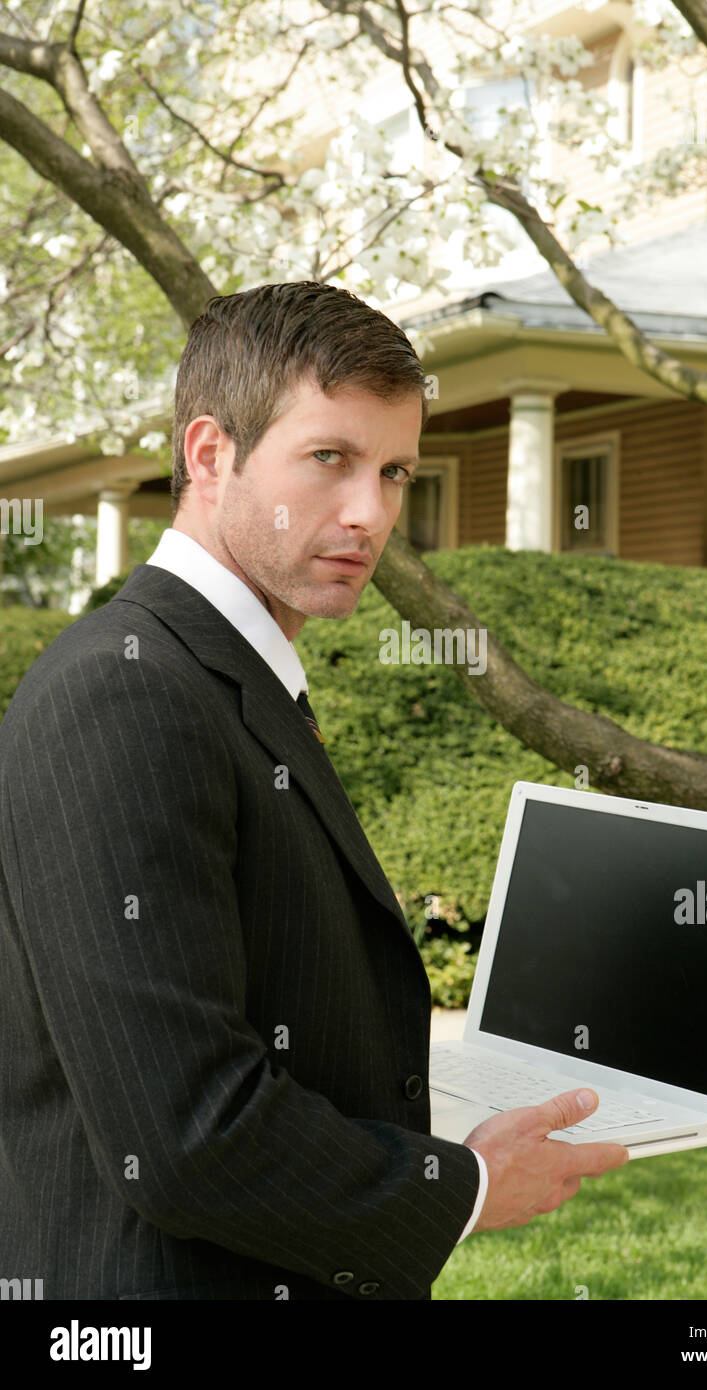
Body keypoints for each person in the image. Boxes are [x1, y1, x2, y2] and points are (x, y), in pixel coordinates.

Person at [0, 281, 627, 1301]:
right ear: (210, 454)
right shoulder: (124, 694)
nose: (370, 513)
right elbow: (185, 1134)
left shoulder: (222, 677)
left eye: (393, 471)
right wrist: (462, 1183)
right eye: (329, 460)